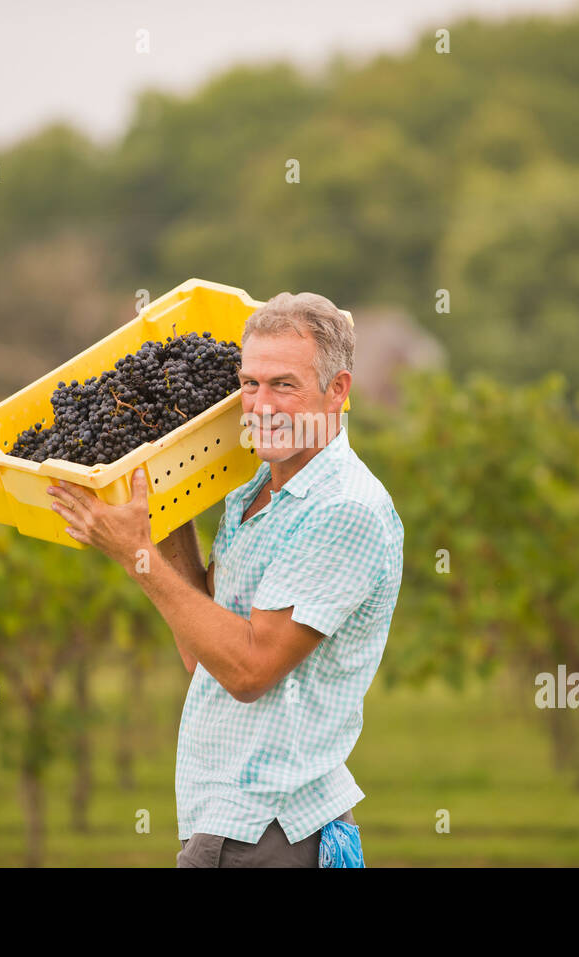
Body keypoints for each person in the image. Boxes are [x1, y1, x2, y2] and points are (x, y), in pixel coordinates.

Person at [46, 291, 404, 867]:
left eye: (283, 385)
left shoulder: (344, 510)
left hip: (277, 832)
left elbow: (248, 670)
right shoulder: (248, 499)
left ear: (338, 389)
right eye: (250, 383)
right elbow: (200, 653)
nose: (260, 404)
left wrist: (136, 556)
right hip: (226, 824)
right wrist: (165, 504)